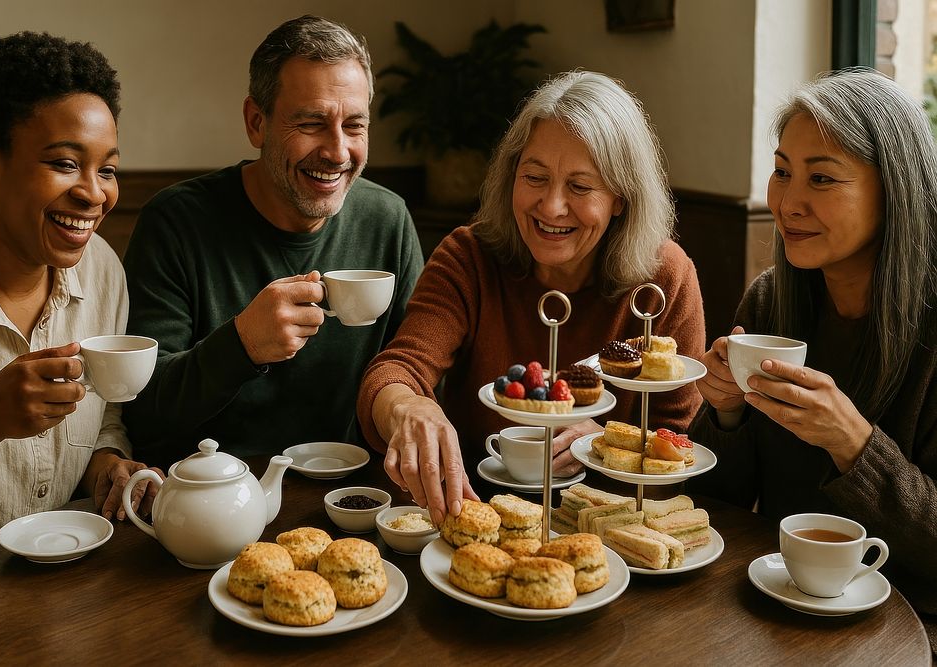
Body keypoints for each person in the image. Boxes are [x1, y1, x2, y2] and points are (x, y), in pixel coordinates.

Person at [358, 70, 705, 525]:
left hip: (615, 530)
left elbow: (678, 443)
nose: (551, 206)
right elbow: (394, 372)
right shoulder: (469, 257)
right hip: (478, 516)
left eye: (580, 187)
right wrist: (408, 405)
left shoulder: (663, 279)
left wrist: (605, 444)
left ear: (621, 197)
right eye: (535, 177)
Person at [688, 68, 937, 646]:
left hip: (910, 632)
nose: (788, 202)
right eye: (781, 172)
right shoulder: (772, 303)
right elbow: (715, 505)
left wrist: (854, 443)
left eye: (821, 178)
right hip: (775, 606)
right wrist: (727, 414)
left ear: (895, 190)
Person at [121, 15, 423, 471]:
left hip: (348, 493)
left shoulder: (387, 218)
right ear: (256, 122)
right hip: (211, 505)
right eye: (312, 123)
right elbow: (142, 411)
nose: (338, 152)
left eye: (355, 126)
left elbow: (419, 370)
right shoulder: (177, 222)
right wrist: (242, 344)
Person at [0, 32, 161, 581]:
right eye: (64, 163)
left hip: (72, 588)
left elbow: (104, 416)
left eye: (106, 169)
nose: (94, 194)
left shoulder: (101, 268)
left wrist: (105, 467)